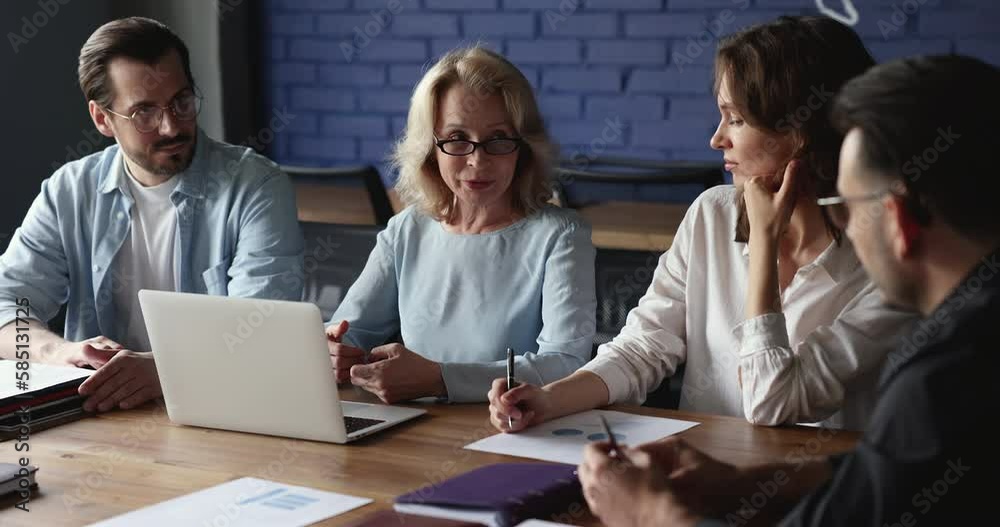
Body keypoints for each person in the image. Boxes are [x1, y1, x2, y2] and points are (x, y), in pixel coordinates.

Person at [577, 54, 999, 527]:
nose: (846, 228)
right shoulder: (965, 340)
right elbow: (885, 475)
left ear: (898, 222)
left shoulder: (948, 373)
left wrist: (650, 514)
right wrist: (741, 485)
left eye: (846, 204)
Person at [489, 16, 915, 432]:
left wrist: (763, 247)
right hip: (697, 480)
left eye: (736, 119)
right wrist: (548, 400)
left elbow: (773, 403)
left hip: (812, 493)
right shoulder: (713, 213)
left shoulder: (886, 267)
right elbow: (644, 346)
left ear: (800, 131)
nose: (717, 140)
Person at [0, 17, 304, 413]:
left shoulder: (255, 186)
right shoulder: (70, 191)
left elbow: (264, 329)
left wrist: (165, 371)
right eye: (144, 112)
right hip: (97, 416)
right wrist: (60, 352)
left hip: (219, 412)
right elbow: (6, 302)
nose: (170, 126)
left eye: (182, 102)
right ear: (102, 119)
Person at [326, 47, 596, 404]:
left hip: (516, 433)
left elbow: (566, 365)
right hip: (415, 430)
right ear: (430, 148)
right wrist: (333, 353)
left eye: (498, 139)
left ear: (524, 147)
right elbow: (348, 332)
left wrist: (440, 380)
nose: (477, 160)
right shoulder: (407, 229)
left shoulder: (560, 235)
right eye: (456, 139)